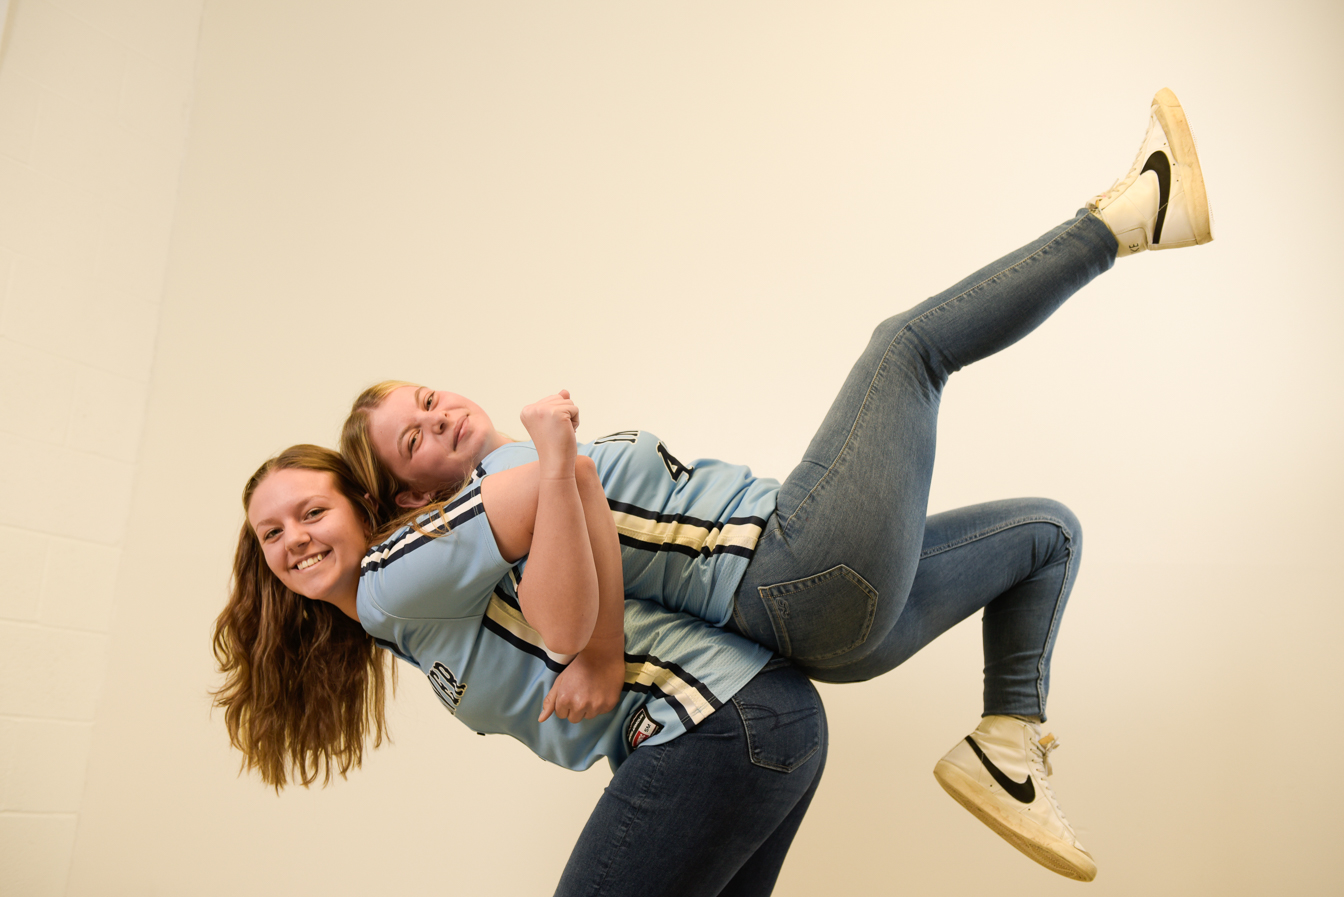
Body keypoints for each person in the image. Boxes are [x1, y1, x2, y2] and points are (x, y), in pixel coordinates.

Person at [337, 88, 1214, 883]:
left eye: (423, 398)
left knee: (1047, 535)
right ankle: (1129, 218)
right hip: (789, 571)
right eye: (411, 439)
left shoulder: (536, 464)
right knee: (907, 349)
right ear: (413, 496)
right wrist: (596, 644)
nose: (436, 416)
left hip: (816, 634)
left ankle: (1008, 743)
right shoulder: (502, 500)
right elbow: (565, 585)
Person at [215, 444, 827, 897]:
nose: (294, 539)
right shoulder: (390, 614)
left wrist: (600, 653)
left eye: (312, 512)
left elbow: (564, 476)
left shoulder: (388, 580)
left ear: (363, 508)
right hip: (755, 717)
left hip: (718, 721)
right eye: (272, 533)